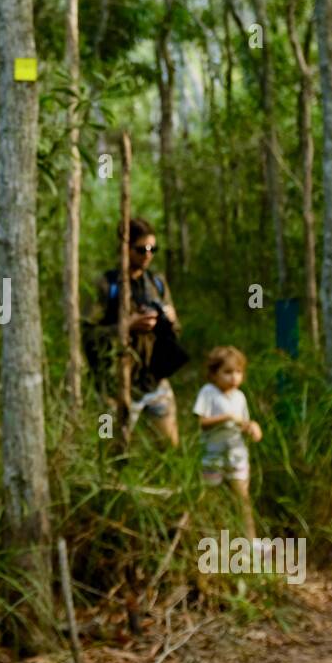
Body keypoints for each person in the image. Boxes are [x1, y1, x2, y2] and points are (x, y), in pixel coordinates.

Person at [83, 217, 185, 446]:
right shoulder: (105, 285)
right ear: (125, 248)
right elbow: (87, 334)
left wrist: (168, 320)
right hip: (115, 384)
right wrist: (126, 326)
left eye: (152, 249)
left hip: (155, 379)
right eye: (141, 249)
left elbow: (176, 329)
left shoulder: (157, 283)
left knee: (170, 448)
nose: (148, 254)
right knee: (110, 448)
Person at [193, 346, 264, 540]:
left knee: (243, 499)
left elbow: (243, 423)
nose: (234, 378)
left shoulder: (239, 397)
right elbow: (201, 422)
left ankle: (250, 541)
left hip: (236, 455)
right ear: (214, 373)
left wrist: (253, 428)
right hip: (212, 456)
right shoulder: (208, 392)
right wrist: (225, 417)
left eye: (238, 372)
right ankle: (210, 539)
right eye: (227, 372)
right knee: (211, 499)